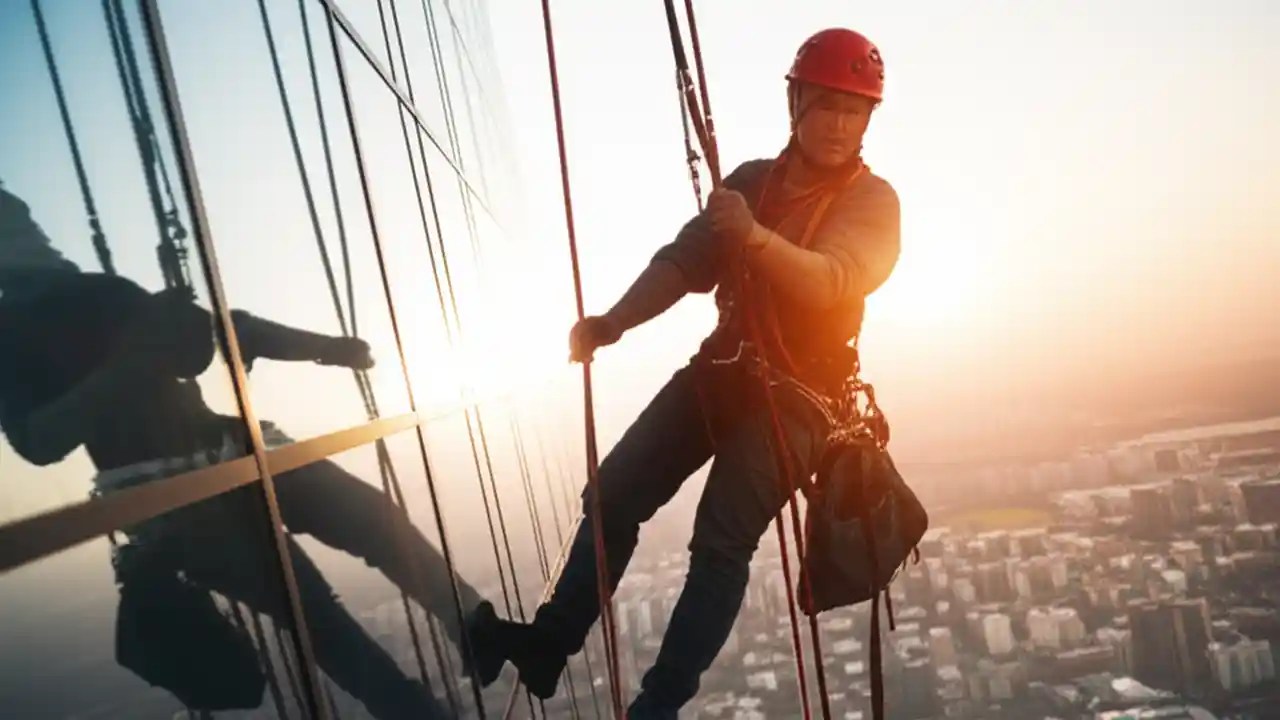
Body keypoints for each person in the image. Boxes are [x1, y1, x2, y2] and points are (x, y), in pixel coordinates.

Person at [467, 28, 902, 716]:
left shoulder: (872, 203)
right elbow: (685, 262)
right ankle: (549, 646)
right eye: (828, 106)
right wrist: (614, 321)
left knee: (721, 538)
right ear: (798, 103)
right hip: (726, 369)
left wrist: (754, 237)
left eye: (855, 111)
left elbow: (831, 281)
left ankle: (658, 706)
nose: (841, 125)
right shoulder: (752, 183)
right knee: (614, 493)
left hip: (801, 399)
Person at [0, 184, 484, 719]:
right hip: (177, 502)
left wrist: (323, 349)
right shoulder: (17, 329)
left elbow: (216, 334)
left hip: (215, 464)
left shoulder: (101, 293)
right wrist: (138, 356)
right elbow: (38, 441)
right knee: (317, 611)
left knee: (364, 536)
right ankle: (417, 708)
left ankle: (462, 637)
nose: (27, 234)